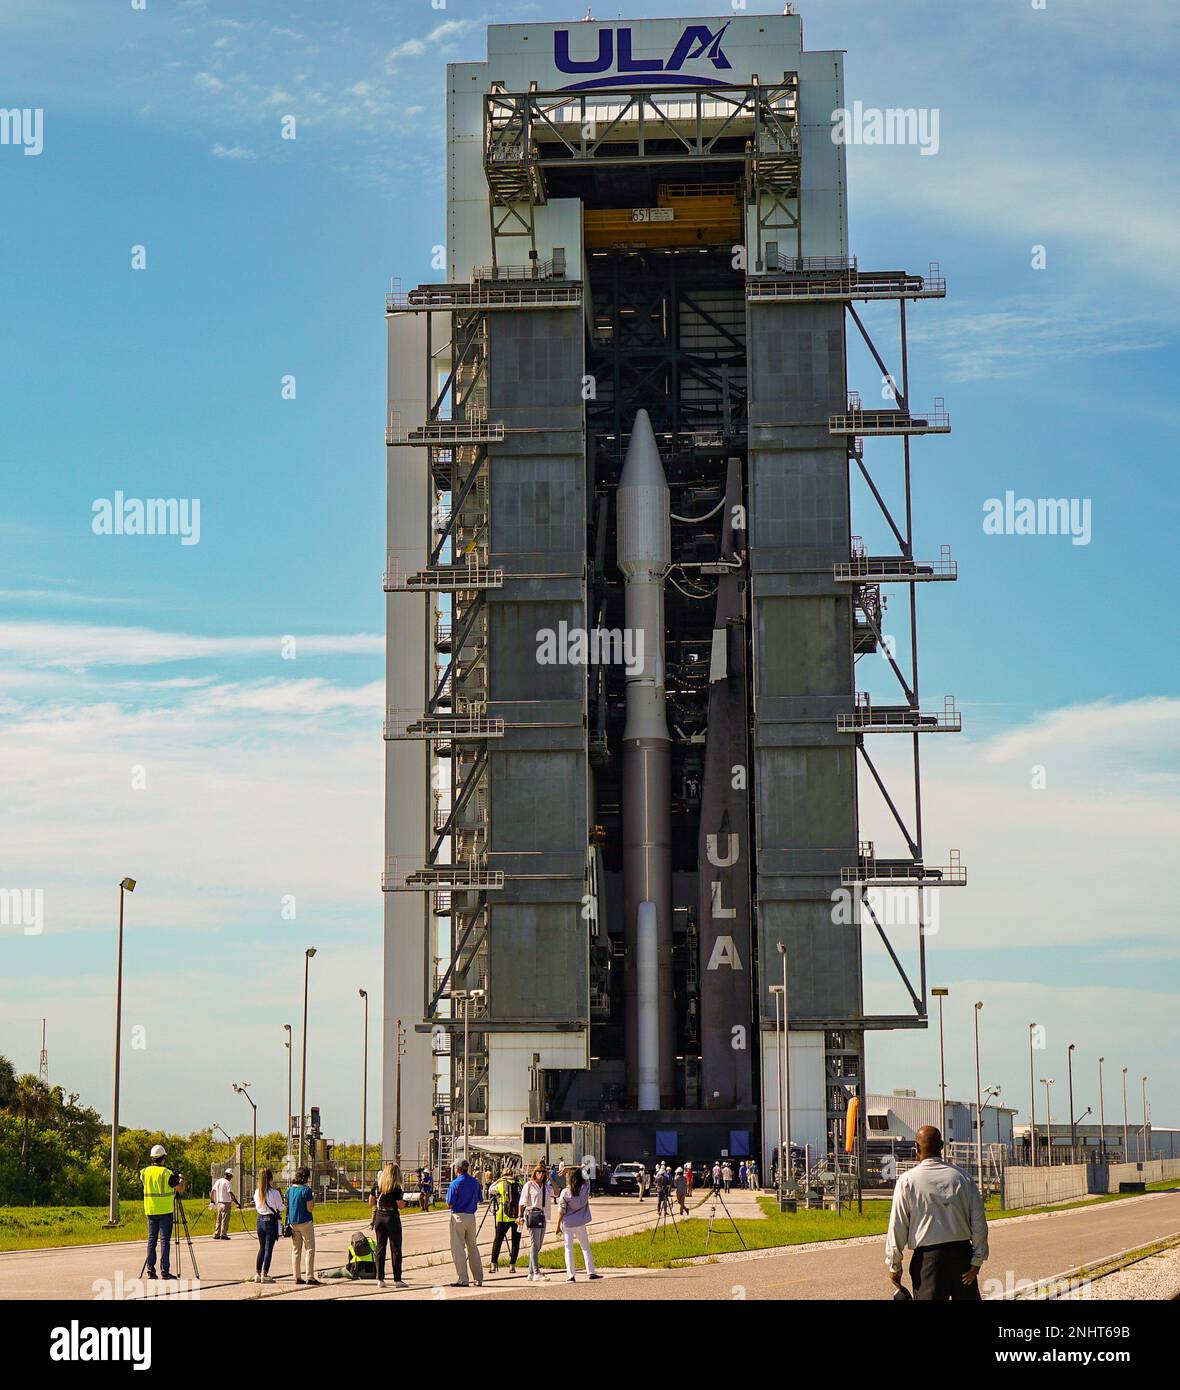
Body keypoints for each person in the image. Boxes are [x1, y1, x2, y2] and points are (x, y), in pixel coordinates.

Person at [885, 1125, 988, 1301]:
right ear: (941, 1146)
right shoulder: (963, 1178)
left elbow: (897, 1226)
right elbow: (979, 1223)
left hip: (928, 1262)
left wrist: (894, 1265)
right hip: (961, 1257)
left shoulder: (907, 1181)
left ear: (916, 1148)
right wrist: (976, 1261)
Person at [140, 1143, 184, 1281]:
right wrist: (181, 1178)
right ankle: (165, 1271)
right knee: (165, 1241)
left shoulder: (144, 1172)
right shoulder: (167, 1173)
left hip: (150, 1210)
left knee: (151, 1241)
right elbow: (180, 1189)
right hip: (165, 1211)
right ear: (163, 1158)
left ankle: (150, 1271)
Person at [555, 1168, 602, 1283]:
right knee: (585, 1247)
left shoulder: (565, 1192)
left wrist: (557, 1227)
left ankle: (570, 1275)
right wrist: (573, 1168)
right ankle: (591, 1271)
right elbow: (584, 1170)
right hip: (581, 1223)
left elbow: (561, 1211)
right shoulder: (585, 1188)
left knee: (568, 1249)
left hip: (567, 1223)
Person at [445, 1159, 484, 1287]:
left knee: (459, 1249)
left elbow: (449, 1203)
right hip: (471, 1217)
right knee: (473, 1247)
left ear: (457, 1169)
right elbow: (480, 1199)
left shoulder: (455, 1183)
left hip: (458, 1216)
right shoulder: (475, 1182)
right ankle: (478, 1278)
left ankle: (463, 1278)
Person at [369, 1161, 407, 1289]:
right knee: (396, 1248)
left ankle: (380, 1278)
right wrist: (404, 1203)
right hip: (392, 1218)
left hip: (379, 1218)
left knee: (380, 1248)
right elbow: (400, 1205)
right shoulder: (396, 1187)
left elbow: (371, 1202)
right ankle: (397, 1279)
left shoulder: (377, 1186)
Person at [287, 1166, 318, 1286]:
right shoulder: (306, 1190)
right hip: (305, 1222)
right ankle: (310, 1276)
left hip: (293, 1222)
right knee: (309, 1248)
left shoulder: (289, 1190)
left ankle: (297, 1276)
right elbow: (310, 1208)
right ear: (306, 1177)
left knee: (296, 1249)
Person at [489, 1165, 523, 1274]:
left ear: (503, 1175)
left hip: (503, 1216)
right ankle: (512, 1265)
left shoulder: (501, 1184)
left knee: (498, 1241)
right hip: (518, 1217)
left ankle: (493, 1264)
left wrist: (499, 1180)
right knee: (516, 1241)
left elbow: (490, 1190)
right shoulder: (519, 1184)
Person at [253, 1167, 283, 1283]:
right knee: (268, 1249)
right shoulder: (274, 1193)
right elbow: (281, 1207)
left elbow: (257, 1207)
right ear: (270, 1179)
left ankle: (257, 1273)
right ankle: (265, 1273)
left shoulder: (257, 1192)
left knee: (261, 1247)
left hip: (260, 1220)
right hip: (271, 1221)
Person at [520, 1163, 549, 1282]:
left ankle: (530, 1273)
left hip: (542, 1215)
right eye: (539, 1172)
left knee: (539, 1245)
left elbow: (557, 1193)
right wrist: (519, 1216)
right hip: (532, 1214)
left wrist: (551, 1178)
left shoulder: (546, 1186)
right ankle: (536, 1272)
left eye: (543, 1172)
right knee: (534, 1243)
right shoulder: (529, 1185)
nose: (541, 1174)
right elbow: (522, 1202)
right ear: (535, 1173)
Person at [211, 1167, 235, 1240]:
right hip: (226, 1203)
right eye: (231, 1176)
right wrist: (237, 1203)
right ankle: (223, 1234)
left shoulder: (218, 1181)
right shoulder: (227, 1183)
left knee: (218, 1219)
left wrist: (212, 1200)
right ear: (230, 1176)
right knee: (225, 1219)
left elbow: (212, 1191)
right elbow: (230, 1193)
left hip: (219, 1203)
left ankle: (217, 1234)